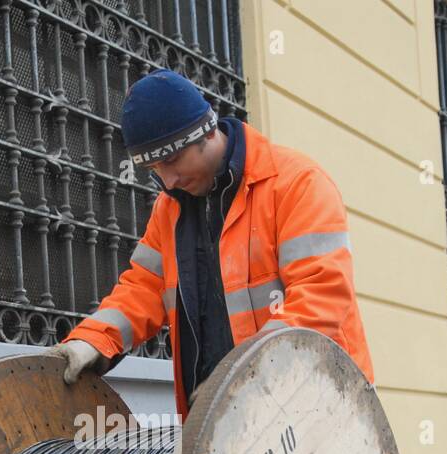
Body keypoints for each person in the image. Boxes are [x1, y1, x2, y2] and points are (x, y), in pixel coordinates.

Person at [47, 69, 373, 420]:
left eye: (171, 160)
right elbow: (144, 287)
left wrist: (242, 375)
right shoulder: (169, 208)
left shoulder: (296, 184)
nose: (167, 180)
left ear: (205, 133)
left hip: (318, 406)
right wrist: (93, 339)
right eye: (154, 169)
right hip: (224, 417)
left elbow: (321, 295)